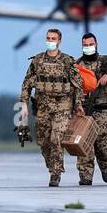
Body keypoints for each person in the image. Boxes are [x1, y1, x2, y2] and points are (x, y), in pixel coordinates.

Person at [19, 28, 84, 186]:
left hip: (62, 107)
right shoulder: (38, 60)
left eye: (53, 38)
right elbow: (26, 84)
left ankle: (55, 173)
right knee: (43, 141)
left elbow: (78, 85)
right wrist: (23, 105)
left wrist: (78, 105)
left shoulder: (67, 61)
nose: (50, 41)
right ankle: (51, 166)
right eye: (48, 38)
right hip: (43, 107)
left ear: (59, 41)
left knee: (56, 139)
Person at [75, 32, 107, 184]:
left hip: (104, 112)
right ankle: (85, 175)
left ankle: (105, 166)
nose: (88, 47)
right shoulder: (77, 66)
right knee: (84, 146)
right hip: (85, 111)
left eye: (91, 44)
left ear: (96, 45)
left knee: (104, 148)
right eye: (85, 45)